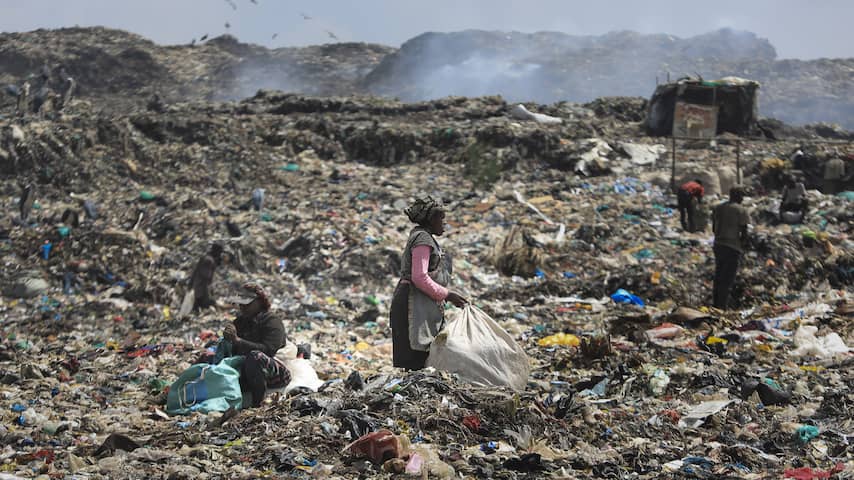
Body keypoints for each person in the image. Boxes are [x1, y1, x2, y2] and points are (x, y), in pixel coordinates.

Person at [390, 195, 467, 370]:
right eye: (441, 219)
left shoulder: (425, 238)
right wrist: (447, 295)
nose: (444, 224)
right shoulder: (422, 239)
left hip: (421, 305)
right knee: (417, 357)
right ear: (431, 220)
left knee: (424, 357)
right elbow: (419, 276)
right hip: (412, 305)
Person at [221, 282, 288, 407]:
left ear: (259, 302)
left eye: (247, 304)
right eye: (241, 304)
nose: (242, 307)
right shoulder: (241, 321)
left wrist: (238, 341)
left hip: (274, 373)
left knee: (255, 357)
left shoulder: (272, 321)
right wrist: (228, 341)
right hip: (248, 371)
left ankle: (257, 404)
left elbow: (269, 350)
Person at [712, 186, 750, 309]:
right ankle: (722, 308)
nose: (742, 199)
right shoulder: (741, 210)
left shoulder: (719, 207)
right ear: (737, 196)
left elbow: (713, 228)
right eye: (742, 196)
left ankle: (715, 304)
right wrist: (743, 245)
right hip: (732, 247)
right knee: (727, 279)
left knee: (718, 276)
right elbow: (744, 231)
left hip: (718, 245)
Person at [191, 243, 224, 310]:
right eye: (219, 252)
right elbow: (206, 276)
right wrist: (209, 292)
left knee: (200, 304)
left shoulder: (206, 257)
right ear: (216, 251)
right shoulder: (209, 260)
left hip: (198, 286)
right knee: (203, 304)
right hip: (201, 287)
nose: (220, 254)